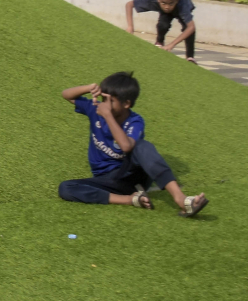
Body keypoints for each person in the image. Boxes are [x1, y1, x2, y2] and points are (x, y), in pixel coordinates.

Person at [57, 72, 208, 216]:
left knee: (142, 146)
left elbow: (126, 146)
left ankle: (180, 198)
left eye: (111, 101)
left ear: (126, 104)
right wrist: (89, 87)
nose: (105, 105)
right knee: (66, 188)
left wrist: (108, 116)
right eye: (103, 99)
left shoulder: (135, 121)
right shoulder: (95, 109)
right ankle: (130, 200)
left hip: (134, 175)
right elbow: (66, 95)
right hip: (107, 180)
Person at [125, 0, 196, 62]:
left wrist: (171, 45)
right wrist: (130, 26)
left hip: (180, 9)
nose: (167, 7)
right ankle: (160, 41)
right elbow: (129, 4)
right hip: (165, 12)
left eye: (171, 4)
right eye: (163, 3)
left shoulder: (183, 4)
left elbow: (191, 27)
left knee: (187, 28)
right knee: (163, 25)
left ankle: (190, 57)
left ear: (177, 0)